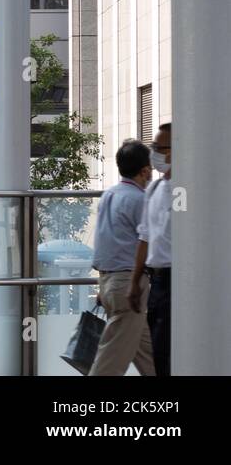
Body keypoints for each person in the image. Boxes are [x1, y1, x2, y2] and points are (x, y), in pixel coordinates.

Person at [88, 139, 155, 375]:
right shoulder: (140, 200)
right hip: (129, 286)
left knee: (151, 353)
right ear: (145, 170)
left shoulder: (110, 195)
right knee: (109, 362)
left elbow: (104, 238)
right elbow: (148, 243)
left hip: (108, 282)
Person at [130, 122, 172, 376]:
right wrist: (135, 282)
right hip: (157, 282)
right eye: (153, 146)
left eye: (159, 147)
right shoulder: (154, 189)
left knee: (170, 351)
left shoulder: (194, 190)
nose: (154, 153)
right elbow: (144, 238)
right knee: (159, 351)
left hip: (179, 280)